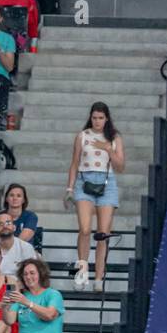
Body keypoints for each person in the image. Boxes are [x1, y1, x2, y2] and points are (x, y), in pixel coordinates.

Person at [66, 101, 125, 292]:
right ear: (90, 117)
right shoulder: (82, 136)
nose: (97, 121)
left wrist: (108, 148)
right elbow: (74, 163)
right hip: (85, 180)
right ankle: (82, 269)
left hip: (106, 182)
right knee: (84, 228)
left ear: (106, 118)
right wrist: (69, 188)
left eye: (101, 118)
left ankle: (99, 276)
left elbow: (121, 166)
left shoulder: (114, 138)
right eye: (94, 117)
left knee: (102, 233)